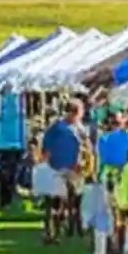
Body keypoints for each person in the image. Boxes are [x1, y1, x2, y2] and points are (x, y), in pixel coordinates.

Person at [41, 101, 89, 243]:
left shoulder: (80, 129)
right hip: (58, 168)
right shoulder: (57, 128)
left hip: (76, 168)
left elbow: (86, 148)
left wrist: (84, 163)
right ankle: (53, 231)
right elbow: (47, 148)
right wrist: (47, 166)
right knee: (56, 201)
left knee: (75, 201)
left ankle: (74, 229)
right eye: (79, 112)